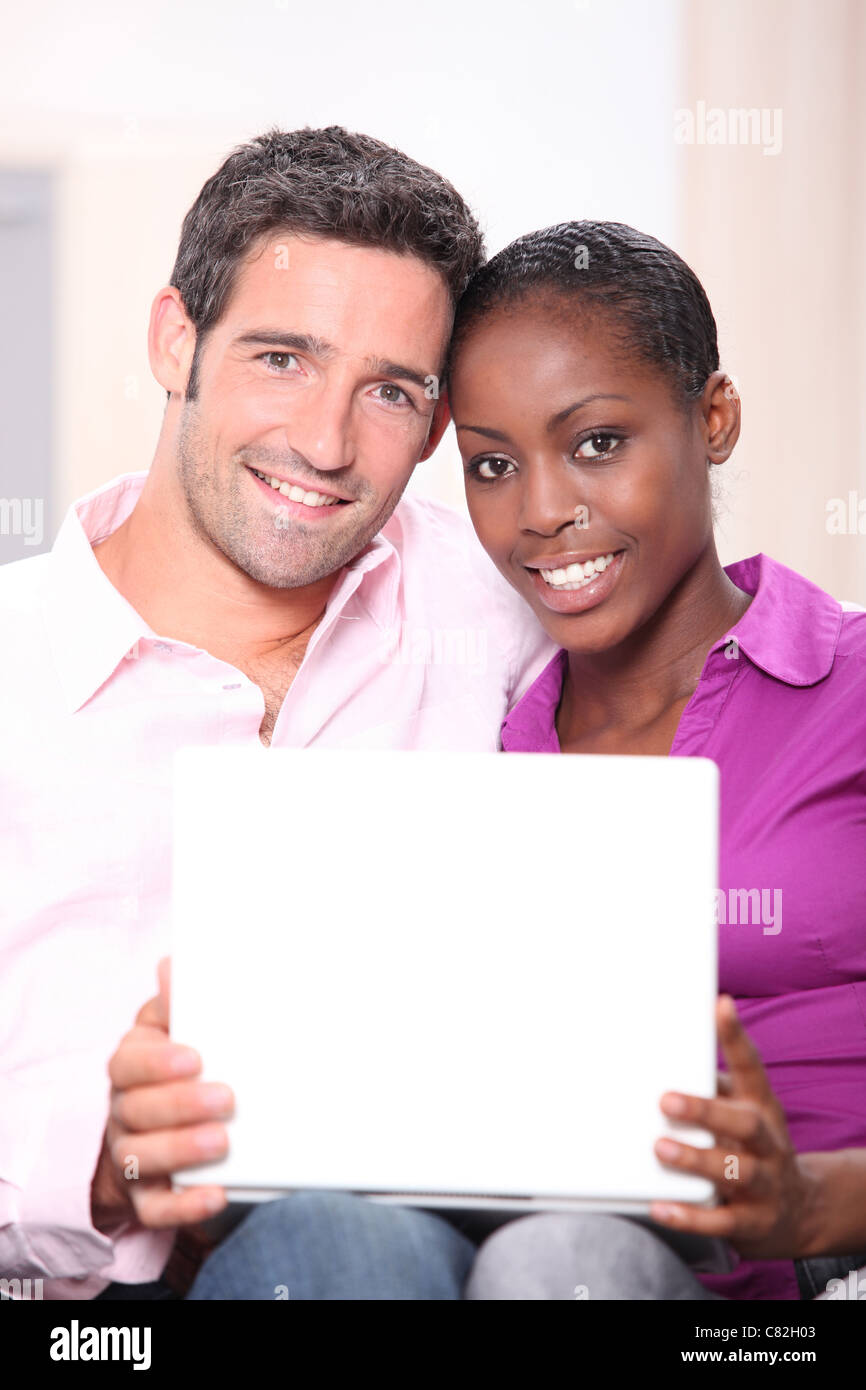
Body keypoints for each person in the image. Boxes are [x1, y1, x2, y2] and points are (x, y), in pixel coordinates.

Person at [0, 127, 554, 1299]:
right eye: (281, 358)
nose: (323, 444)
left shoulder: (503, 606)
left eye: (390, 392)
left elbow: (748, 654)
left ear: (439, 421)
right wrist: (93, 1164)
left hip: (437, 1239)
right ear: (175, 340)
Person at [442, 218, 866, 1299]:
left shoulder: (850, 689)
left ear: (711, 418)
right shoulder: (481, 747)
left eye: (594, 443)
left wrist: (812, 1201)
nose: (541, 512)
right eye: (492, 464)